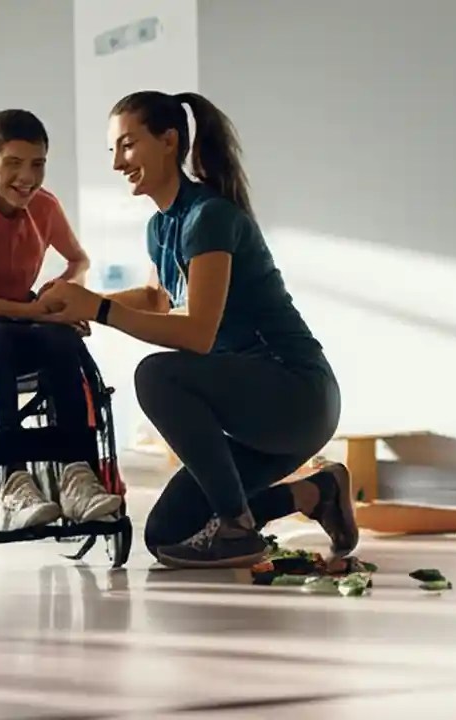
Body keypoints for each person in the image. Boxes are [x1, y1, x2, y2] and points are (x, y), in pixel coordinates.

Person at [38, 91, 354, 569]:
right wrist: (72, 307)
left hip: (295, 394)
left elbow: (198, 333)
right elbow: (156, 300)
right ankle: (317, 493)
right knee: (167, 534)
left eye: (127, 145)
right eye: (113, 151)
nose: (118, 163)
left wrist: (99, 309)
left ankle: (238, 529)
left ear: (169, 141)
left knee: (157, 375)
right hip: (253, 411)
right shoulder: (161, 226)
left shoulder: (210, 217)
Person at [0, 109, 122, 532]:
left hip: (20, 325)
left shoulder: (46, 208)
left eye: (37, 164)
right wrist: (30, 310)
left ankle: (77, 475)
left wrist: (58, 291)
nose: (27, 177)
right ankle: (10, 482)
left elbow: (79, 260)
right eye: (13, 163)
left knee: (61, 341)